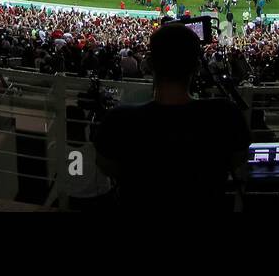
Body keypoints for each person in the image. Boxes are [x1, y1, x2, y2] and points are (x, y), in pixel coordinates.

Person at [95, 22, 249, 211]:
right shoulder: (224, 114)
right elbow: (237, 159)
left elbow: (107, 166)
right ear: (197, 64)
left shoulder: (119, 120)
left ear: (150, 64)